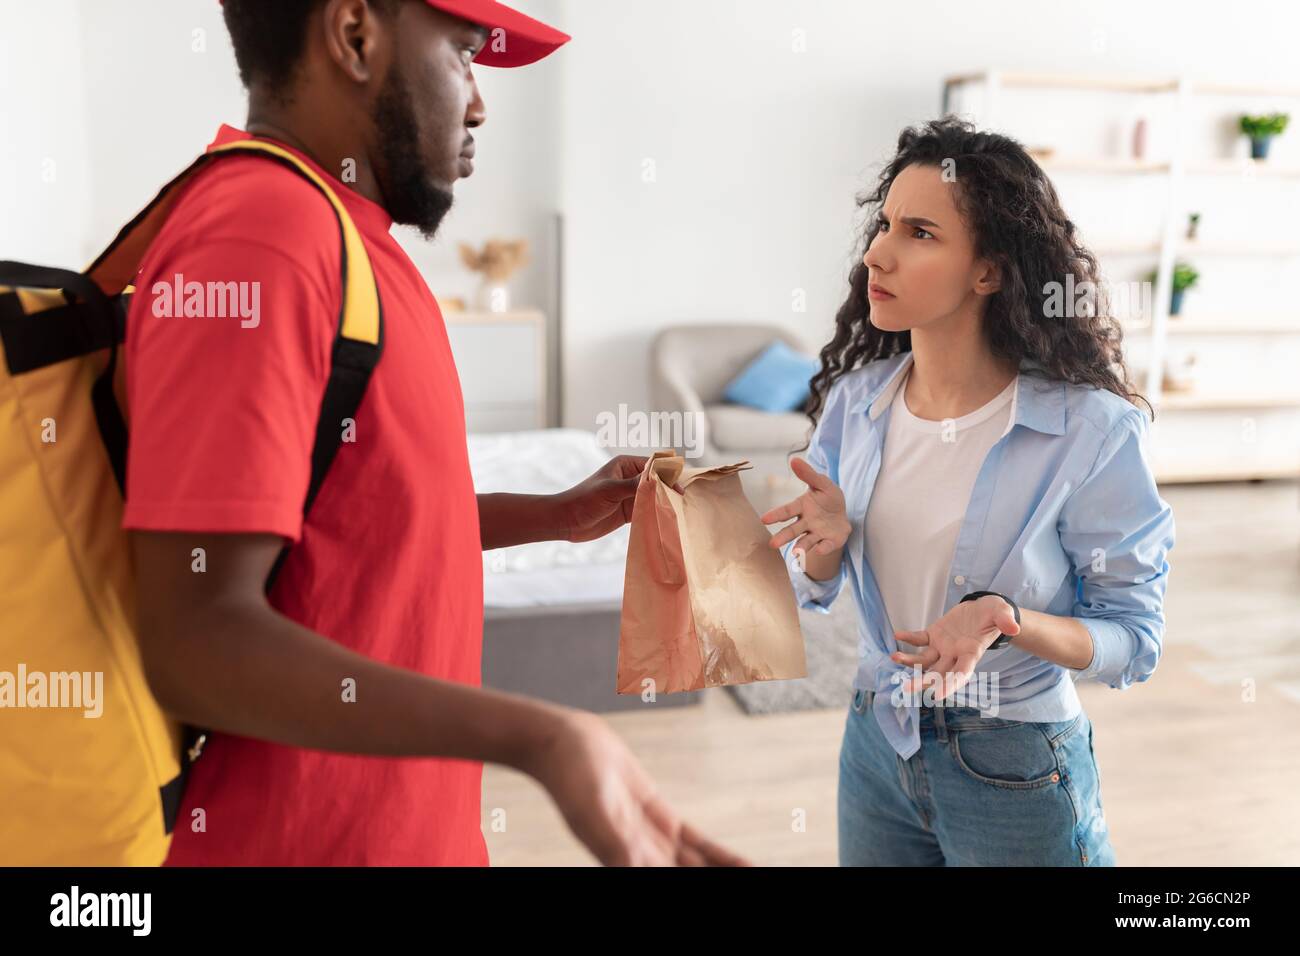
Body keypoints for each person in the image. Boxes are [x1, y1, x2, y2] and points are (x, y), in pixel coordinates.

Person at [126, 0, 743, 867]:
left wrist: (556, 516)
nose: (481, 103)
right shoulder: (262, 238)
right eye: (462, 52)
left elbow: (360, 517)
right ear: (353, 34)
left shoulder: (347, 239)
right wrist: (542, 738)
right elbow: (195, 638)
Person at [763, 117, 1175, 866]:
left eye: (920, 232)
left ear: (988, 270)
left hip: (1014, 760)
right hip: (874, 747)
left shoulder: (1090, 430)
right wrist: (823, 553)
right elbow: (811, 587)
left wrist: (1009, 619)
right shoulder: (856, 405)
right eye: (884, 224)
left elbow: (1134, 640)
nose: (877, 253)